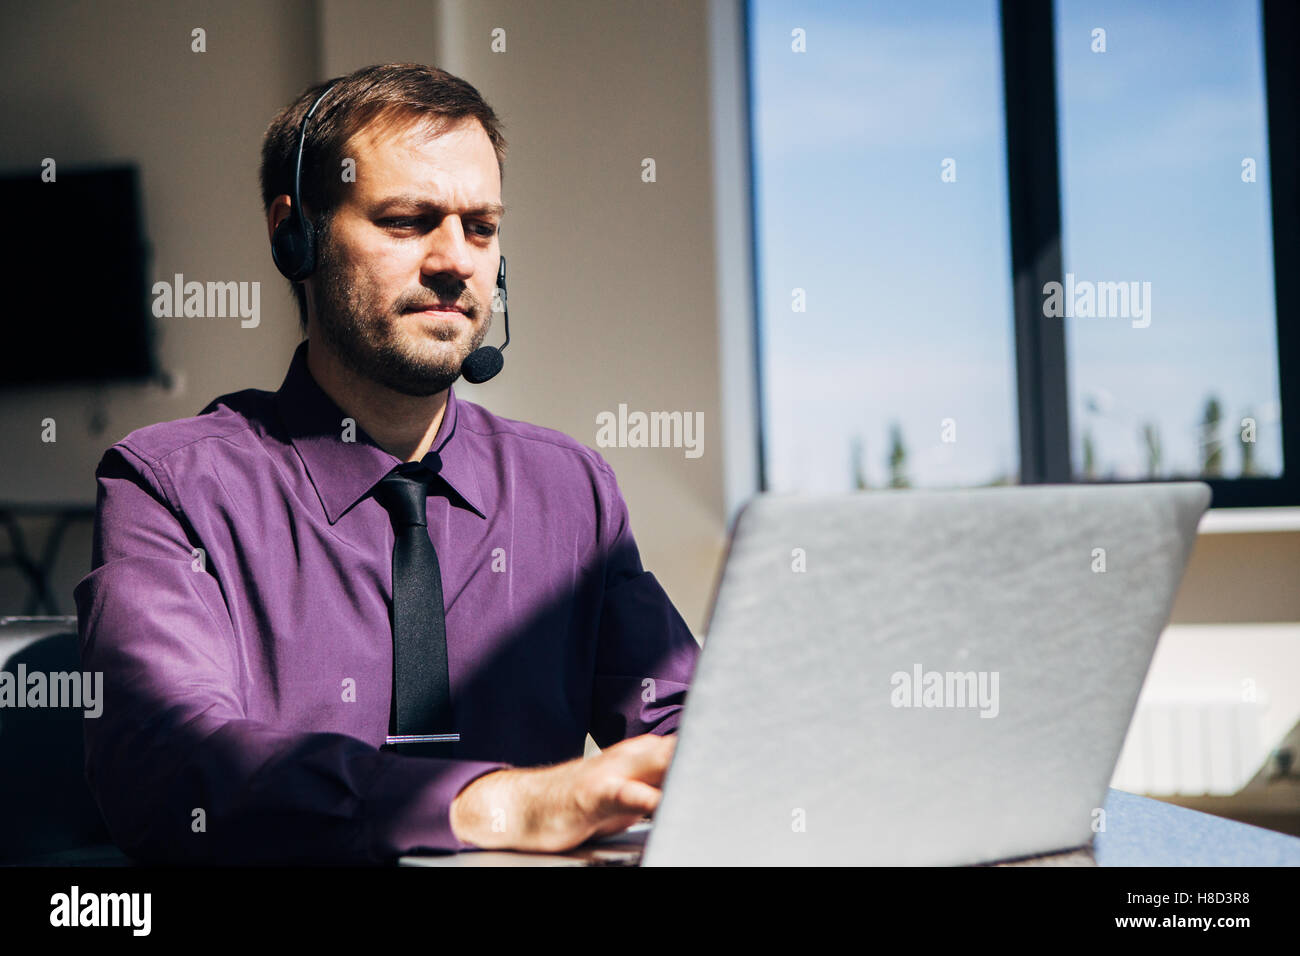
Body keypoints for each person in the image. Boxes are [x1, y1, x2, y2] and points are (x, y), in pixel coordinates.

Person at [73, 63, 700, 865]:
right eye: (408, 220)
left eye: (481, 227)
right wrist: (492, 805)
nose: (456, 261)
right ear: (292, 236)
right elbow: (166, 767)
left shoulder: (570, 490)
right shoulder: (170, 487)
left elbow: (683, 725)